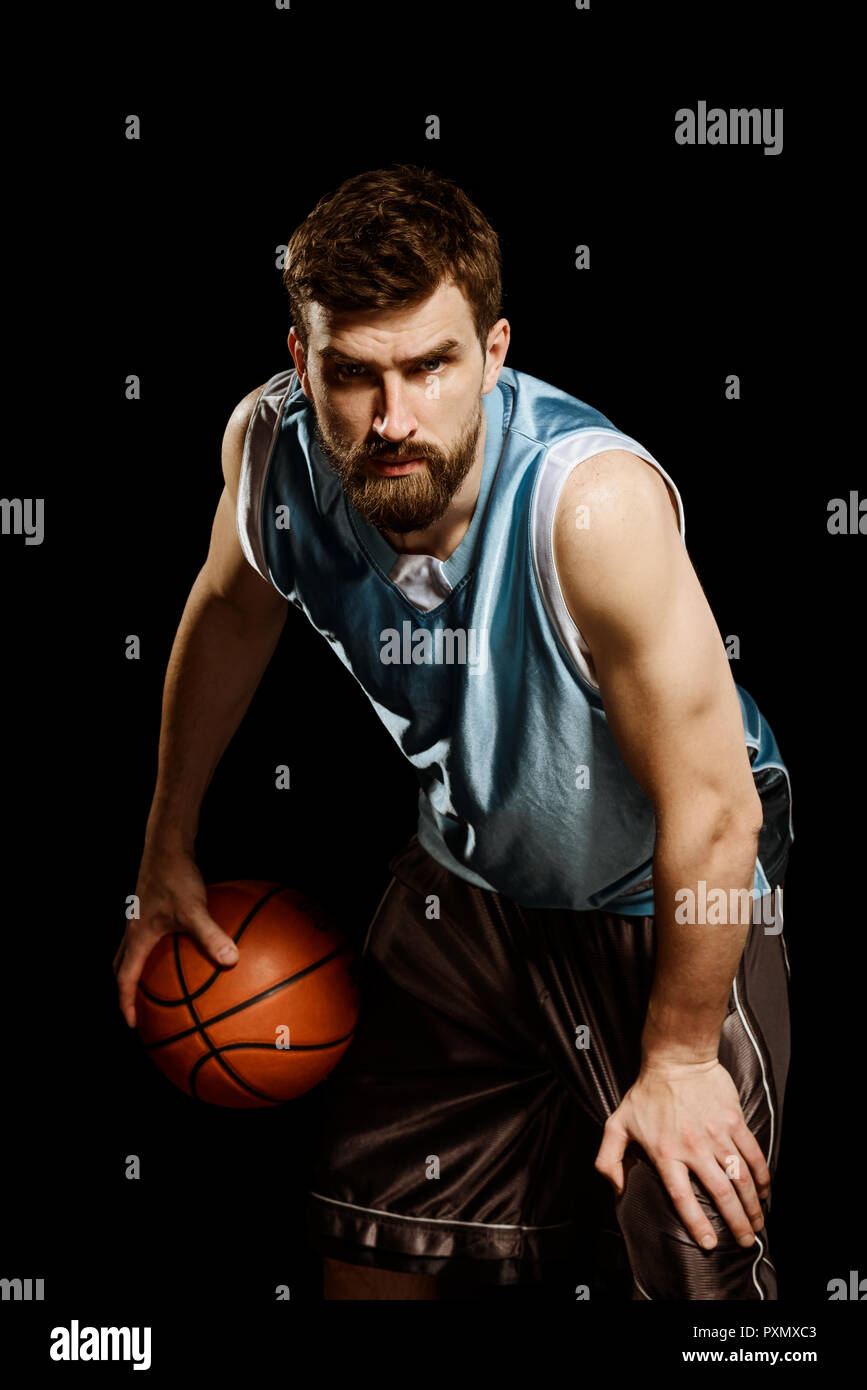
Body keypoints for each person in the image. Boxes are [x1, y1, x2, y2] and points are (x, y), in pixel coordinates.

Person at [113, 163, 793, 1301]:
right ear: (300, 360)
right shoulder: (272, 453)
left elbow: (718, 807)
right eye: (354, 375)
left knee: (691, 1259)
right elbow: (230, 612)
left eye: (431, 366)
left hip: (657, 894)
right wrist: (164, 845)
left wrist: (677, 1053)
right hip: (465, 892)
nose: (394, 419)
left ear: (494, 351)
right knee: (374, 1230)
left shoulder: (592, 509)